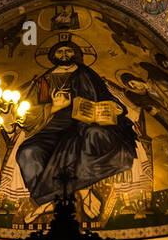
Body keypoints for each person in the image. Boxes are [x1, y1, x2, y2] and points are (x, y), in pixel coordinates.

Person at [16, 42, 137, 205]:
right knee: (27, 152)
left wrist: (118, 108)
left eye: (68, 50)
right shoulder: (44, 80)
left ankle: (48, 199)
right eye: (60, 51)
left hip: (84, 124)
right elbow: (27, 113)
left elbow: (105, 96)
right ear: (53, 56)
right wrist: (54, 106)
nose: (64, 54)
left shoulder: (86, 74)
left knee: (85, 140)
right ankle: (48, 200)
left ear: (76, 53)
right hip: (52, 127)